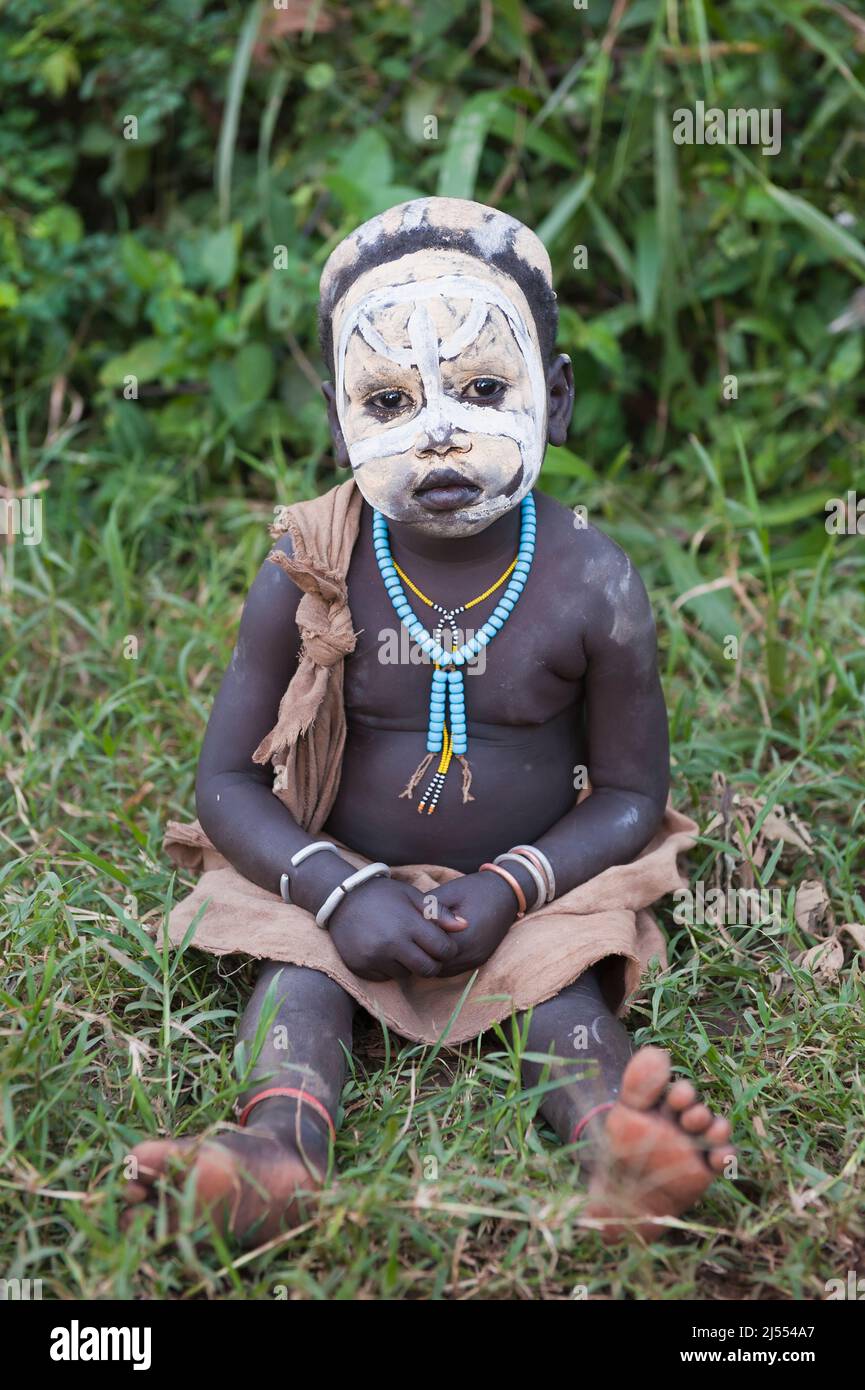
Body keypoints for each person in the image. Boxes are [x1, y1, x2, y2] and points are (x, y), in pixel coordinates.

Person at [124, 197, 734, 1245]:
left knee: (557, 989)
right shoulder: (310, 567)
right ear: (336, 419)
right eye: (390, 399)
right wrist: (335, 883)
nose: (442, 431)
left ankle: (617, 1141)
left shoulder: (592, 579)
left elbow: (632, 795)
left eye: (486, 387)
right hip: (336, 874)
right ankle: (280, 1147)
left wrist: (509, 884)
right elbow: (225, 784)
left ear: (559, 396)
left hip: (529, 885)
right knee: (296, 975)